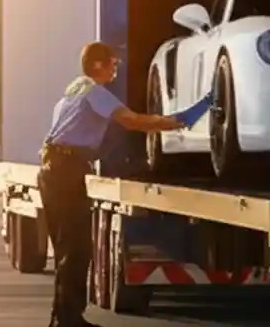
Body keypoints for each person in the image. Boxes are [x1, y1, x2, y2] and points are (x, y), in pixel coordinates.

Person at [39, 41, 209, 327]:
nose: (115, 69)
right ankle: (68, 320)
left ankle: (63, 319)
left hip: (52, 169)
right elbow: (132, 121)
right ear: (97, 65)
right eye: (112, 64)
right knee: (77, 248)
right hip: (66, 171)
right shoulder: (95, 92)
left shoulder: (74, 89)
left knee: (67, 248)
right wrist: (181, 120)